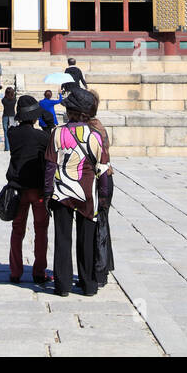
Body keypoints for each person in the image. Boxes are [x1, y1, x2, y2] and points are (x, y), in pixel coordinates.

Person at [43, 83, 110, 297]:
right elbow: (103, 169)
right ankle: (88, 284)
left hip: (61, 192)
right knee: (86, 238)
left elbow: (50, 166)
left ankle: (62, 286)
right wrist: (104, 196)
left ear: (73, 113)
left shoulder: (57, 133)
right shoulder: (95, 136)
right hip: (88, 193)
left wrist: (47, 193)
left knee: (62, 238)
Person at [6, 94, 51, 285]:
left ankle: (15, 271)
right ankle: (39, 271)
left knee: (17, 230)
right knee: (41, 231)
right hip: (38, 189)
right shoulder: (42, 137)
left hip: (18, 189)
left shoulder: (12, 134)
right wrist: (47, 121)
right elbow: (51, 142)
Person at [86, 88, 115, 289]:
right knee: (102, 223)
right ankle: (103, 267)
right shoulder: (98, 126)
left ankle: (99, 270)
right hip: (105, 177)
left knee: (98, 225)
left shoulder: (92, 129)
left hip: (100, 178)